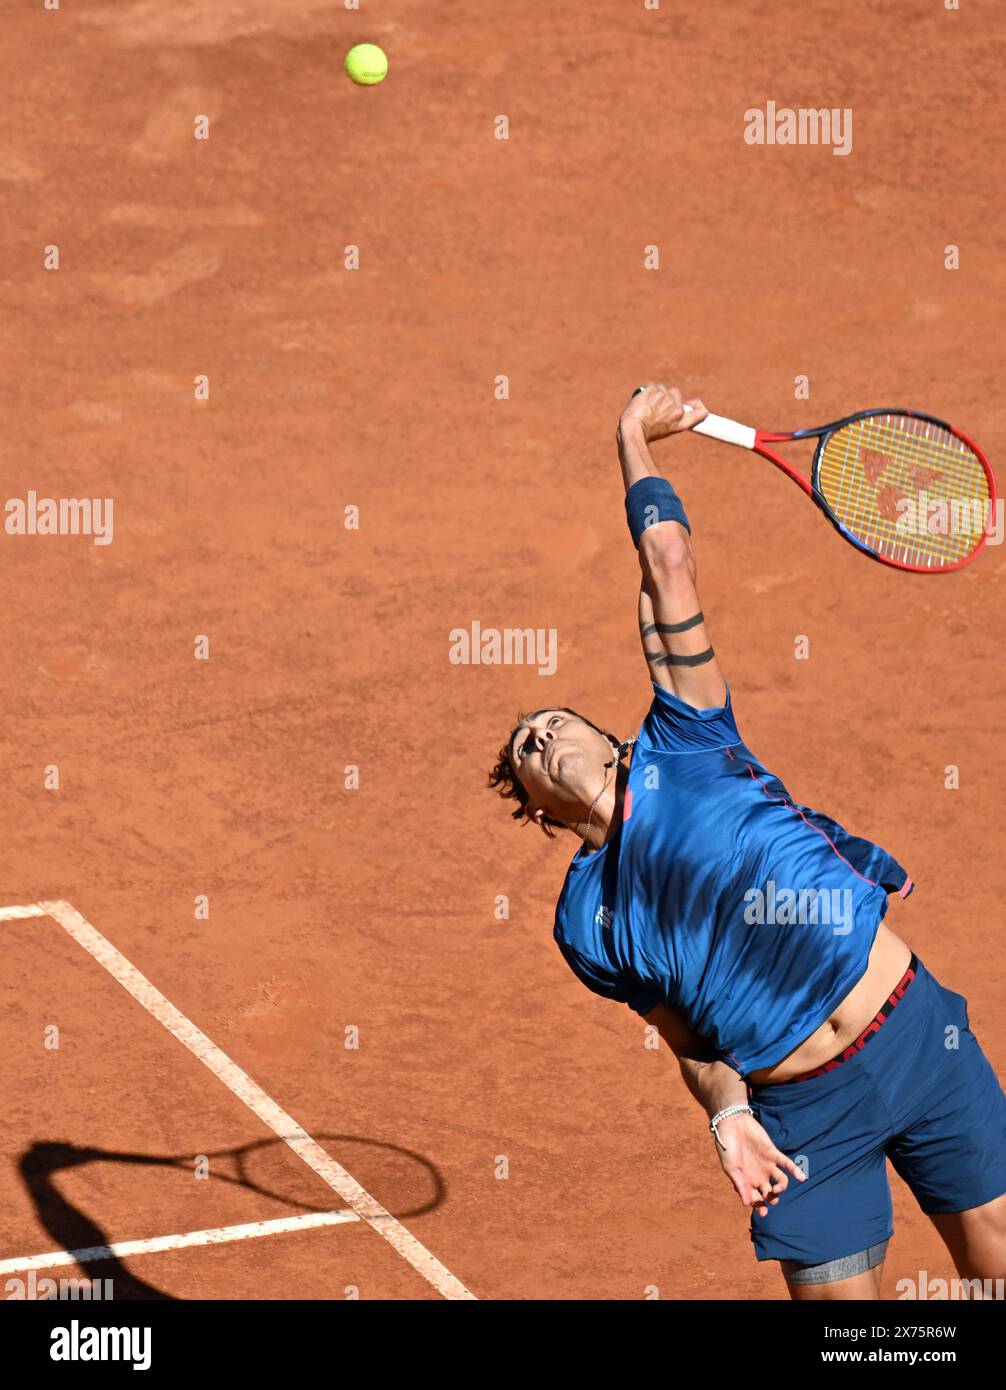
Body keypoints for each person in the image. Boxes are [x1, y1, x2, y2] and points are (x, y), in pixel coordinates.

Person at [488, 383, 1006, 1299]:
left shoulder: (688, 737)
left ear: (605, 737)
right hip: (804, 1111)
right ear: (532, 809)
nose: (541, 736)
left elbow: (668, 559)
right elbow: (689, 1041)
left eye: (553, 720)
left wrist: (632, 440)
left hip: (920, 1038)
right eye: (526, 746)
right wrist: (729, 1119)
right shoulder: (587, 925)